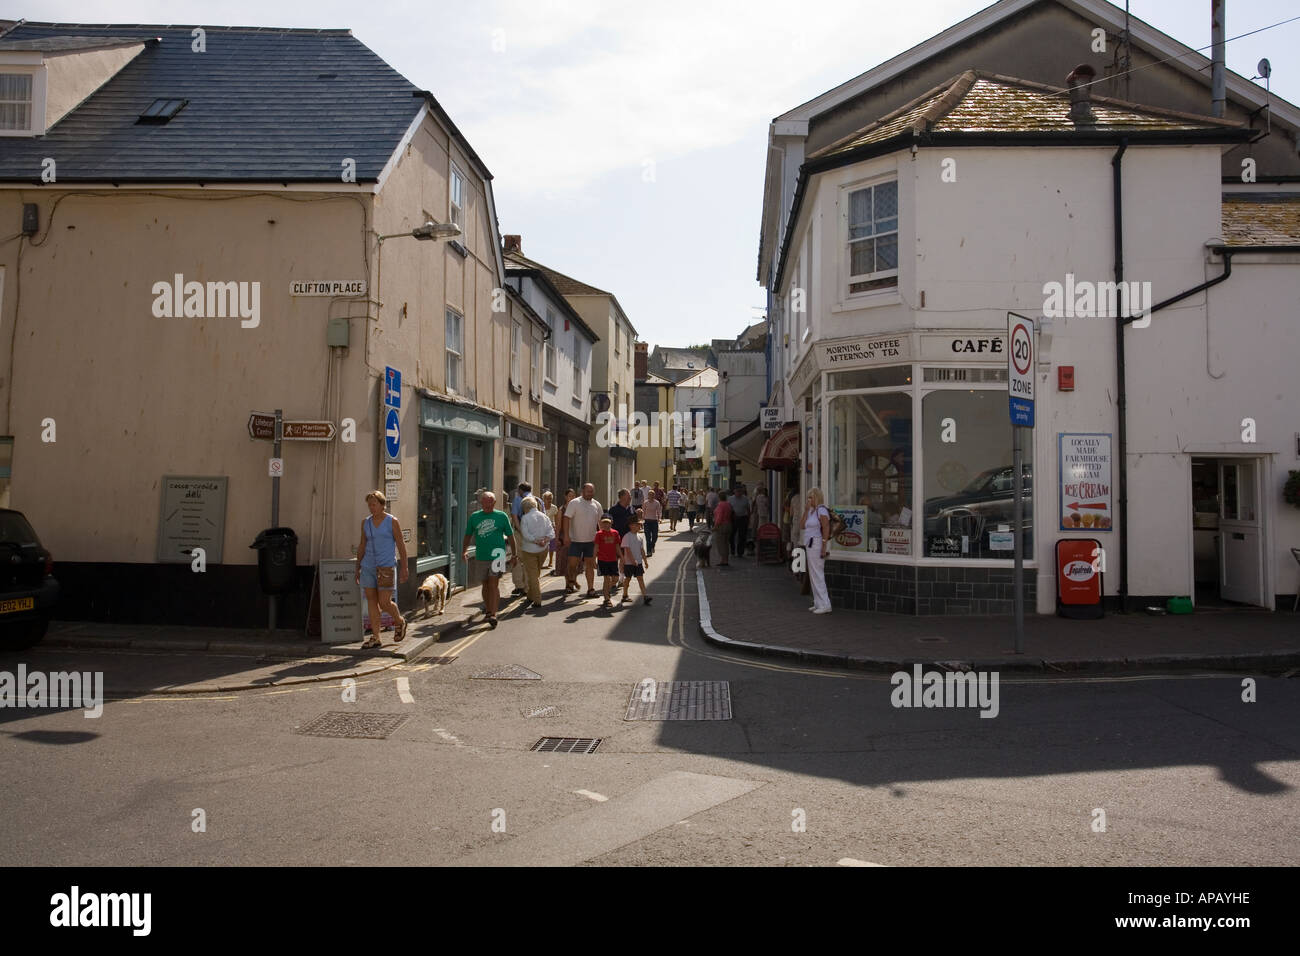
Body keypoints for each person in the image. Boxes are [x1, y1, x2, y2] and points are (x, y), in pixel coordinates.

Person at [355, 490, 409, 649]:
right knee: (371, 600)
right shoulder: (365, 522)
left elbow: (400, 544)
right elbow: (362, 545)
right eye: (369, 505)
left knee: (384, 602)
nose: (371, 507)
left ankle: (399, 621)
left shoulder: (392, 521)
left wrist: (405, 567)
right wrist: (357, 566)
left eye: (374, 504)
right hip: (368, 566)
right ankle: (376, 636)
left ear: (382, 504)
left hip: (386, 566)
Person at [461, 491, 516, 628]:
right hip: (481, 555)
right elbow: (468, 535)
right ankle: (488, 609)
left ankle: (493, 614)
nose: (488, 506)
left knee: (493, 584)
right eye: (485, 503)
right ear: (481, 503)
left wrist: (514, 555)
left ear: (495, 503)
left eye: (490, 503)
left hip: (498, 554)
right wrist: (464, 550)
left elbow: (510, 536)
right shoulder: (475, 517)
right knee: (485, 585)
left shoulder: (501, 516)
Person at [563, 482, 603, 598]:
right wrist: (566, 535)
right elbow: (566, 518)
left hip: (591, 541)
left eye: (592, 491)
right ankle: (570, 583)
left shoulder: (597, 505)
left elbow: (600, 522)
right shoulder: (574, 503)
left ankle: (590, 589)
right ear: (582, 491)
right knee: (572, 565)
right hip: (575, 540)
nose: (590, 493)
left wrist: (602, 538)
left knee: (589, 566)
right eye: (588, 491)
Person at [517, 495, 554, 609]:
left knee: (533, 575)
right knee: (536, 574)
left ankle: (537, 600)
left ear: (524, 508)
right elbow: (551, 532)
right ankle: (530, 595)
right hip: (543, 550)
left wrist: (537, 541)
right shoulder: (544, 516)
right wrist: (544, 540)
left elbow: (526, 534)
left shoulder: (525, 518)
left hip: (530, 550)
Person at [802, 487, 833, 614]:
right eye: (808, 497)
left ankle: (825, 604)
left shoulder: (821, 510)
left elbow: (826, 528)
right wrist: (805, 510)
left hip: (817, 543)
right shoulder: (811, 511)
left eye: (811, 497)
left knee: (818, 574)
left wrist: (824, 547)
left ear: (817, 497)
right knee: (813, 574)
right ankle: (818, 602)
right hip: (809, 544)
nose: (809, 499)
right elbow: (802, 525)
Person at [621, 517, 651, 605]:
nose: (639, 526)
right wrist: (632, 560)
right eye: (637, 524)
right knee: (628, 579)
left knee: (640, 579)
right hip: (629, 563)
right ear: (631, 526)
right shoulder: (627, 536)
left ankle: (645, 596)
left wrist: (645, 561)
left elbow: (642, 550)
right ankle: (625, 595)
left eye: (639, 524)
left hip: (638, 562)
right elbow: (627, 550)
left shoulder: (640, 537)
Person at [594, 515, 623, 608]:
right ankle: (607, 598)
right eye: (604, 523)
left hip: (613, 559)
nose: (606, 525)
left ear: (611, 523)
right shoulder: (599, 534)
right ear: (602, 524)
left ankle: (606, 590)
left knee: (615, 579)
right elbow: (596, 547)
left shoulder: (615, 533)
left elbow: (617, 546)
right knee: (607, 578)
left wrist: (622, 557)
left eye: (608, 523)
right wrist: (593, 559)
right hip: (603, 559)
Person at [556, 487, 576, 579]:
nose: (571, 498)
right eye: (569, 496)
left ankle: (573, 581)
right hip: (564, 537)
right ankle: (568, 583)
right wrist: (557, 539)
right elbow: (558, 526)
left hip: (575, 537)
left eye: (573, 496)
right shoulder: (561, 510)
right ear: (565, 497)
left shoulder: (577, 508)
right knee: (565, 562)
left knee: (575, 562)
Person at [712, 491, 733, 567]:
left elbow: (719, 517)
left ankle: (723, 560)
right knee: (726, 543)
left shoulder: (720, 505)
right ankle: (726, 559)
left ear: (719, 497)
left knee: (721, 543)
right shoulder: (728, 504)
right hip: (728, 524)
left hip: (721, 526)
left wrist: (715, 526)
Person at [729, 485, 751, 557]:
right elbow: (728, 509)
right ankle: (732, 550)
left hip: (743, 518)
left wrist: (748, 519)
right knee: (731, 535)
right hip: (733, 518)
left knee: (742, 536)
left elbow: (748, 509)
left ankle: (740, 552)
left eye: (740, 491)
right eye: (737, 491)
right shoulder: (730, 499)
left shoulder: (745, 499)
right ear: (734, 491)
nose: (739, 493)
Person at [541, 490, 559, 570]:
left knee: (552, 546)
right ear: (544, 499)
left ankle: (551, 561)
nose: (549, 500)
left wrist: (556, 528)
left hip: (551, 528)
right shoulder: (541, 507)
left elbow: (556, 519)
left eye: (550, 498)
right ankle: (541, 561)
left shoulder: (554, 508)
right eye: (547, 498)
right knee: (543, 545)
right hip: (542, 528)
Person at [641, 491, 662, 556]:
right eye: (650, 495)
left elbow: (659, 511)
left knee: (655, 536)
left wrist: (659, 518)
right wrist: (642, 519)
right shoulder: (645, 502)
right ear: (648, 495)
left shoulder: (657, 503)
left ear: (654, 495)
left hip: (654, 521)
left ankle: (652, 546)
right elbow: (643, 511)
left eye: (652, 495)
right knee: (648, 537)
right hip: (647, 521)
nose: (651, 496)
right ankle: (649, 551)